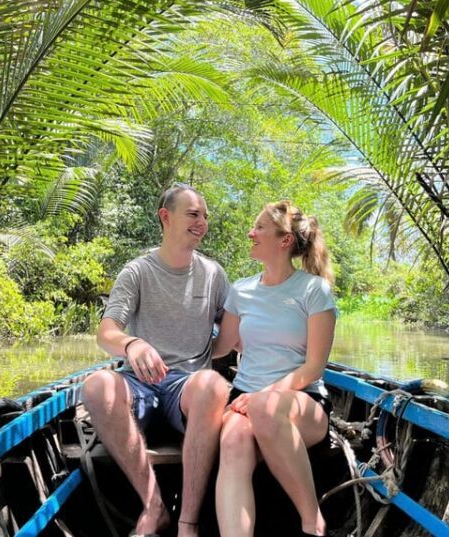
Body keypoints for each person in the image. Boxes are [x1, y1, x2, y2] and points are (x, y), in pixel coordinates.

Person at [82, 184, 230, 537]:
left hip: (188, 387)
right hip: (139, 383)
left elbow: (233, 336)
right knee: (97, 384)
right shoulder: (136, 272)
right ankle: (154, 506)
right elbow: (106, 333)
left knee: (212, 383)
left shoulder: (214, 275)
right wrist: (131, 344)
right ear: (166, 217)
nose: (202, 222)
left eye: (205, 216)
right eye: (193, 214)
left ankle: (188, 521)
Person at [213, 200, 337, 537]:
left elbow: (313, 368)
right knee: (235, 440)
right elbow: (222, 347)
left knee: (266, 408)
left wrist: (264, 396)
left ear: (284, 240)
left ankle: (313, 522)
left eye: (260, 228)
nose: (251, 233)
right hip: (245, 397)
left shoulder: (314, 290)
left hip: (301, 399)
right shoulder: (241, 290)